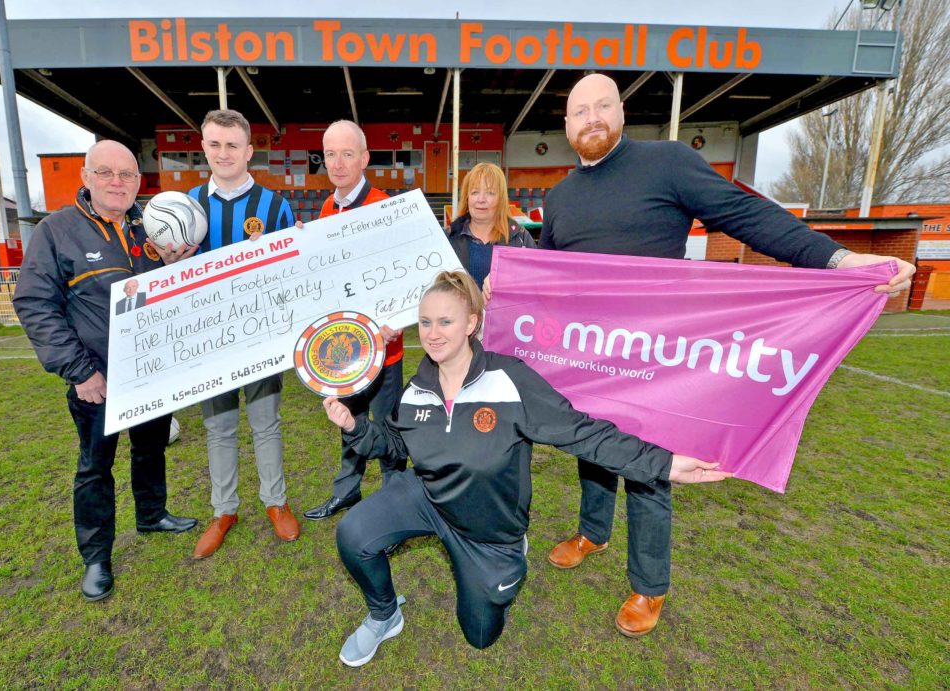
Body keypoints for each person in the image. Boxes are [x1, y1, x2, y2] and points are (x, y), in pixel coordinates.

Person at [535, 73, 917, 638]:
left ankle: (648, 586)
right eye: (578, 111)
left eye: (601, 106)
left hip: (653, 359)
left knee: (647, 470)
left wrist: (837, 261)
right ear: (566, 126)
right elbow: (552, 272)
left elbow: (747, 216)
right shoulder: (559, 196)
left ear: (620, 111)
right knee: (591, 451)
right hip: (589, 359)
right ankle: (593, 532)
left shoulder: (665, 163)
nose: (590, 118)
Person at [322, 271, 731, 666]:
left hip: (487, 530)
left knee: (480, 635)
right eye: (426, 322)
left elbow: (583, 434)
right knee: (354, 533)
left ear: (471, 323)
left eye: (445, 321)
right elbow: (395, 444)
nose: (433, 332)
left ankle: (509, 555)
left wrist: (663, 464)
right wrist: (355, 427)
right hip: (428, 496)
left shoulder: (509, 379)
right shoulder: (417, 388)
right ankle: (385, 616)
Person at [13, 140, 197, 603]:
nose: (118, 183)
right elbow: (36, 304)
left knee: (151, 449)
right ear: (85, 177)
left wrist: (179, 266)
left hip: (150, 373)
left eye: (128, 175)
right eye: (106, 173)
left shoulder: (149, 225)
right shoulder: (57, 231)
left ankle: (152, 514)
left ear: (139, 181)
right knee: (96, 467)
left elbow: (170, 292)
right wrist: (80, 372)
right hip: (97, 380)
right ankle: (96, 556)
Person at [174, 109, 299, 559]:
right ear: (203, 148)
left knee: (266, 423)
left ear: (248, 151)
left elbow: (292, 272)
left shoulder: (275, 206)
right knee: (218, 428)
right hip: (210, 342)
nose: (223, 153)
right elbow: (169, 276)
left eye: (232, 145)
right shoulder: (182, 206)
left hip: (260, 336)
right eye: (214, 144)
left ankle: (275, 501)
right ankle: (223, 510)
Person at [302, 120, 407, 522]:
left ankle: (396, 503)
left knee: (389, 427)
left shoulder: (384, 205)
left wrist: (394, 319)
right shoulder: (328, 207)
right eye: (330, 154)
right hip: (343, 349)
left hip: (384, 350)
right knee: (348, 421)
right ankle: (347, 491)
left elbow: (403, 271)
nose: (338, 162)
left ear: (364, 158)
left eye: (348, 154)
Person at [446, 162, 535, 289]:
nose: (481, 199)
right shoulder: (449, 238)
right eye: (475, 192)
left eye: (490, 193)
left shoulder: (521, 238)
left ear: (501, 199)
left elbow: (534, 285)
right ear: (467, 197)